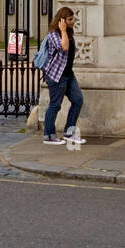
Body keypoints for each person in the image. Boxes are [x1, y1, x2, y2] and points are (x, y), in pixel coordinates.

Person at [38, 7, 84, 145]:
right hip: (56, 76)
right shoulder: (54, 34)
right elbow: (64, 47)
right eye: (70, 19)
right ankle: (49, 135)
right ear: (62, 20)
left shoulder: (68, 33)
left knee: (78, 100)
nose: (72, 21)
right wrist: (63, 30)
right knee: (55, 105)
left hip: (68, 75)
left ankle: (69, 132)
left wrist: (66, 31)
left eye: (72, 18)